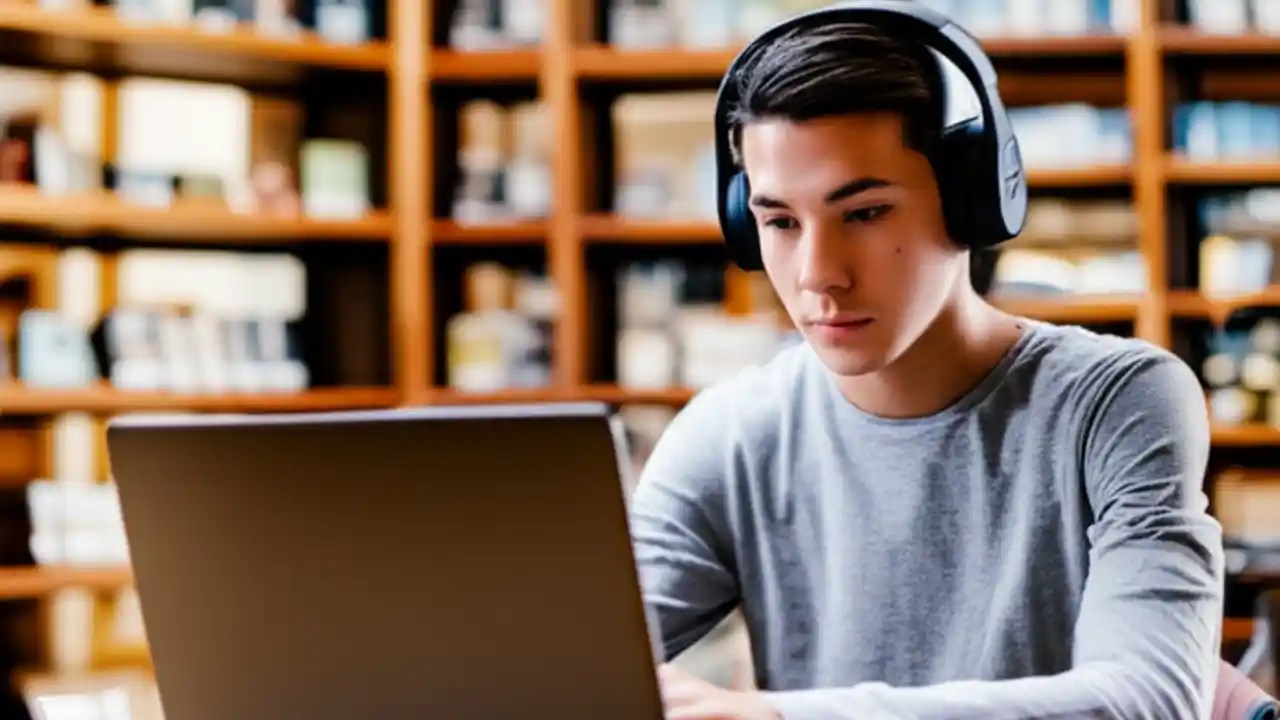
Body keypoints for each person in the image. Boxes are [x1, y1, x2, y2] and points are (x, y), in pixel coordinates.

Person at [628, 4, 1225, 720]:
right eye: (781, 222)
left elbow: (1147, 701)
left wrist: (780, 717)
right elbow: (572, 663)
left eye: (865, 213)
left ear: (971, 200)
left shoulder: (1118, 401)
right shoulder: (728, 434)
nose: (818, 274)